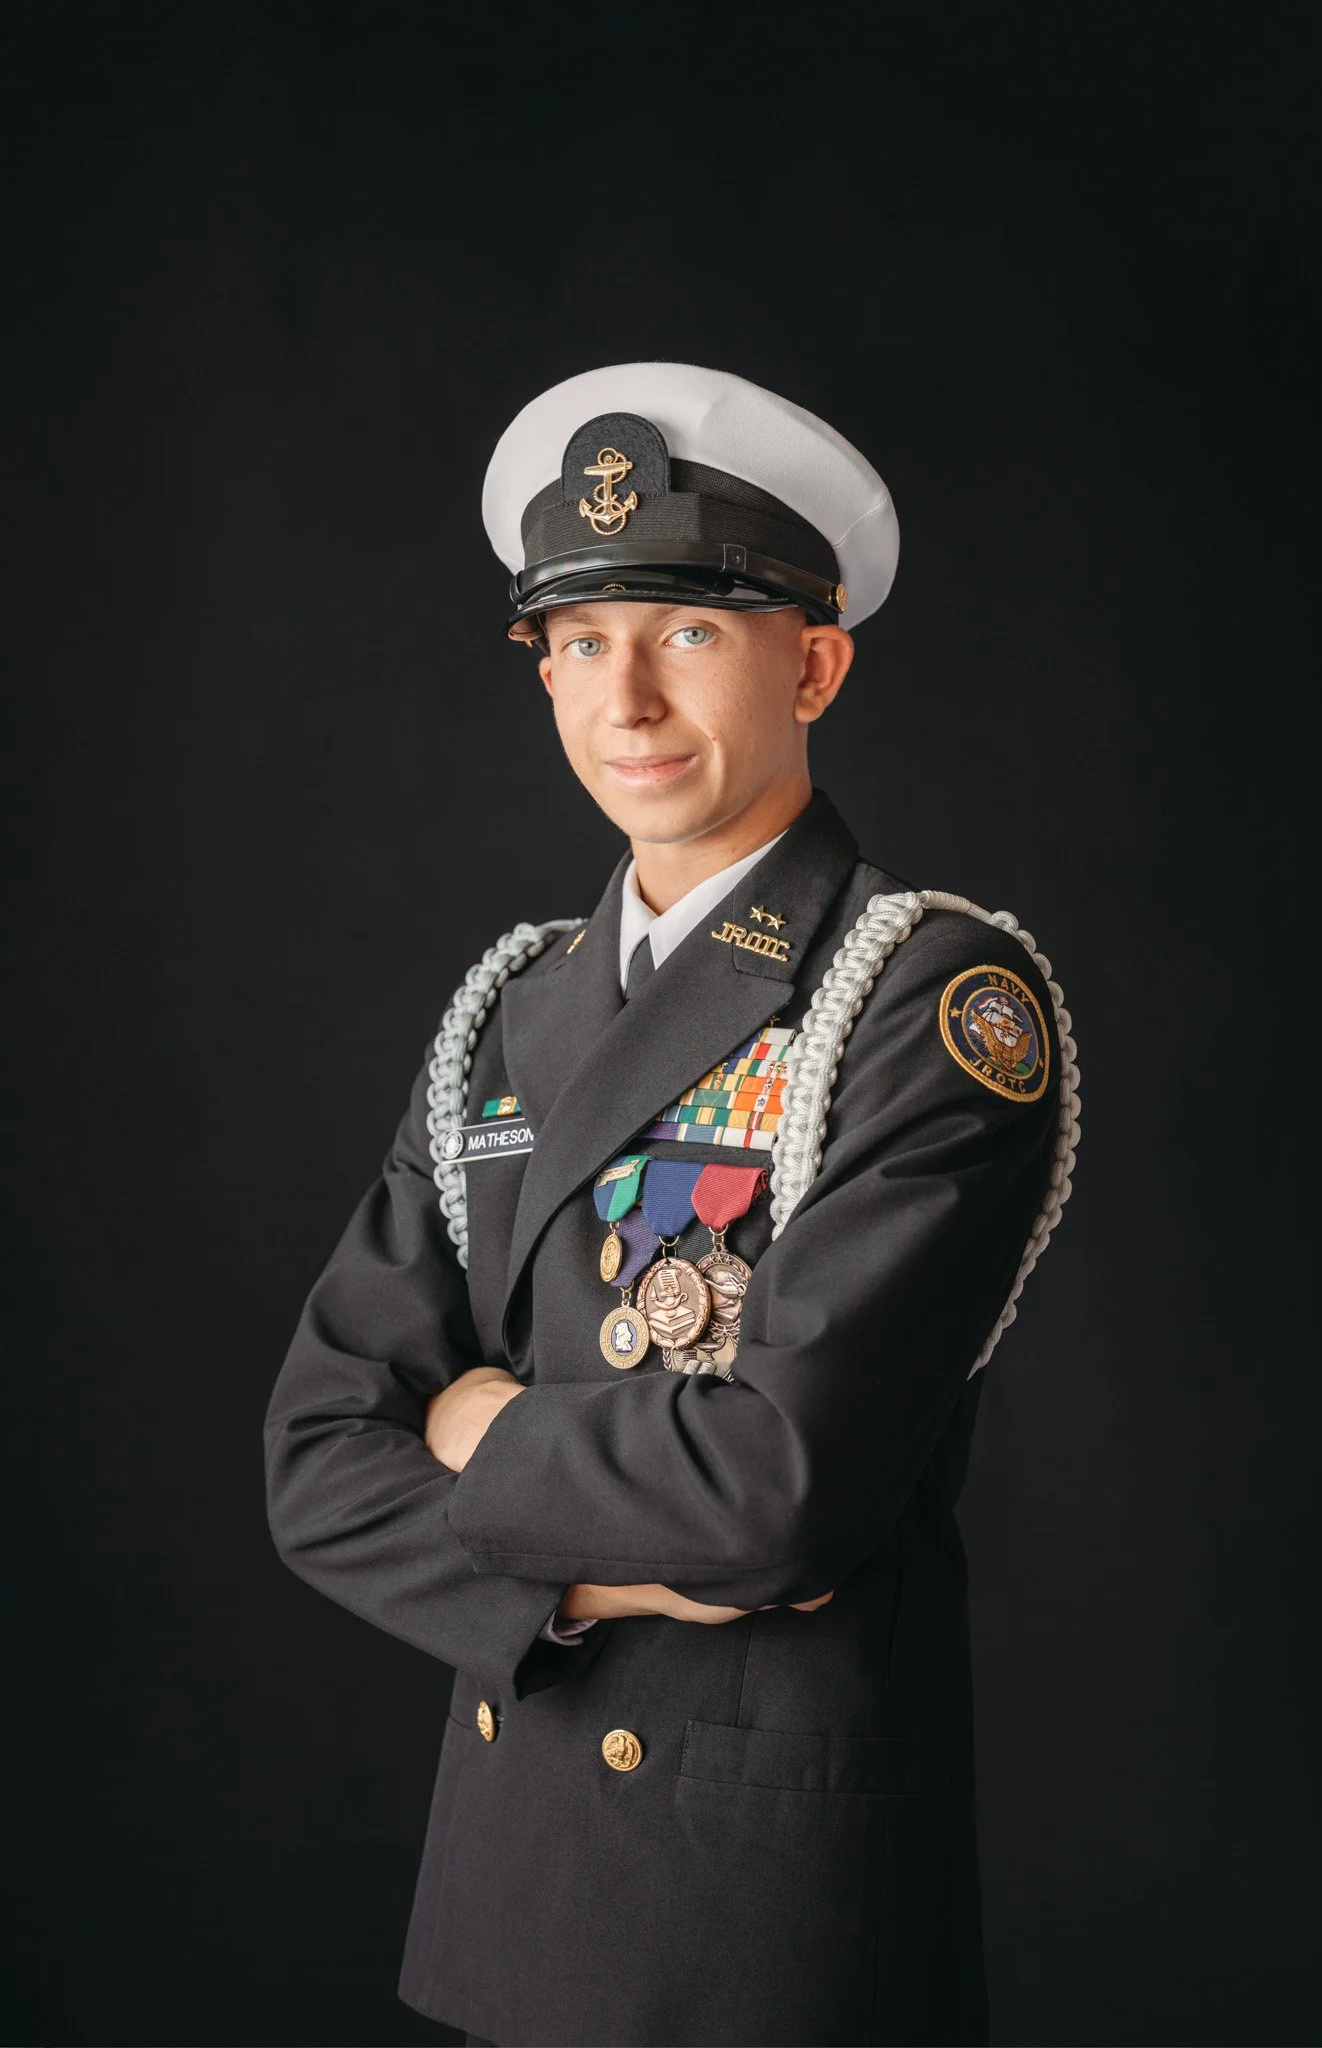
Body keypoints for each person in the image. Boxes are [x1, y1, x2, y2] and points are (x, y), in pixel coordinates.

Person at [263, 362, 1079, 2047]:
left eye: (685, 632)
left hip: (763, 1929)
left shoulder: (923, 1001)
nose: (621, 696)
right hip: (509, 1889)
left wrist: (481, 1428)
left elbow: (782, 1491)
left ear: (815, 662)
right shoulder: (510, 1012)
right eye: (575, 642)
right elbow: (315, 1459)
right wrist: (601, 1582)